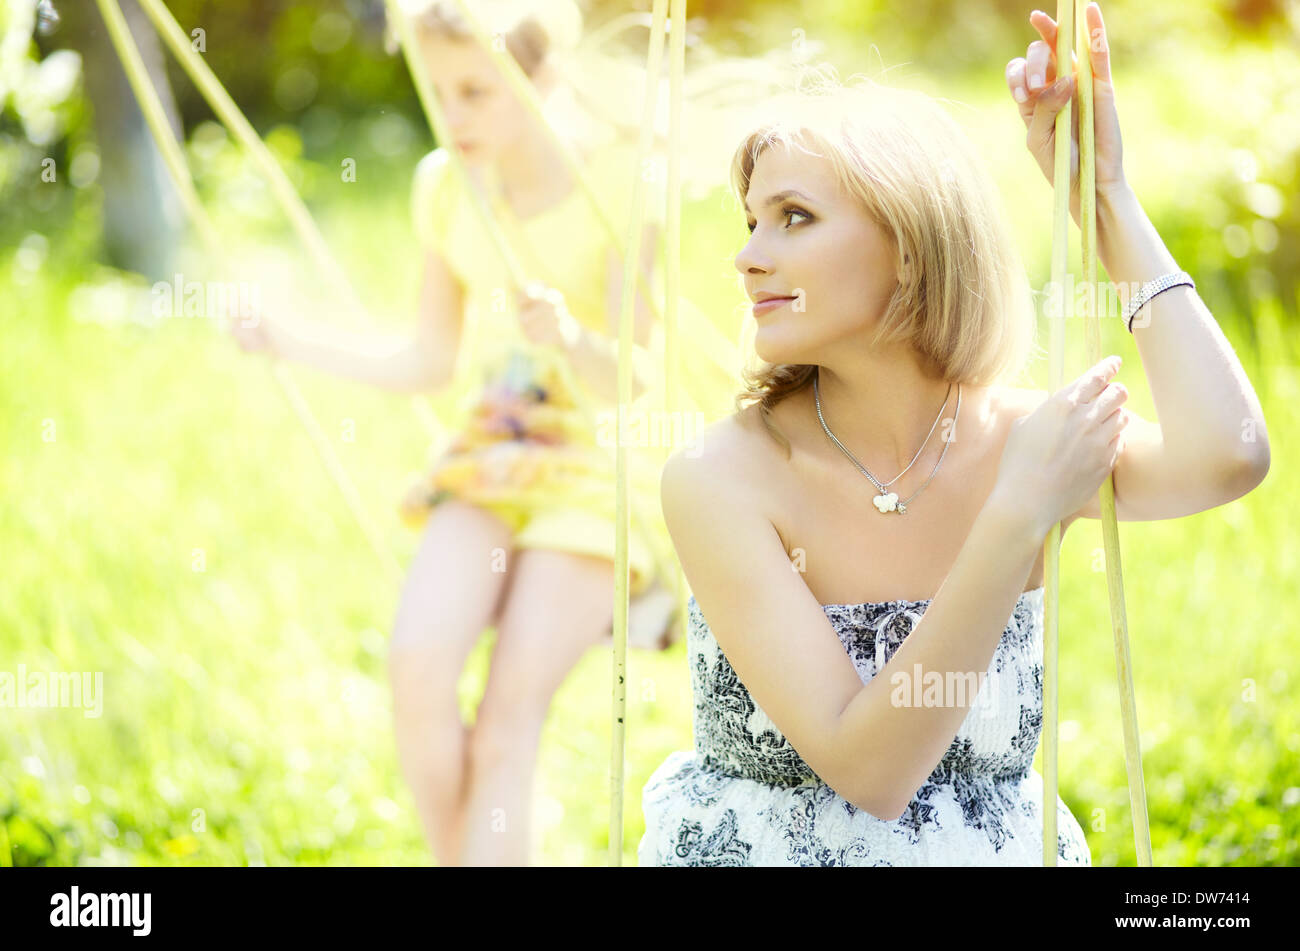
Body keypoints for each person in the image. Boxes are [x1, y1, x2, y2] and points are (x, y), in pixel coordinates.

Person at [638, 2, 1269, 865]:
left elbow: (1228, 452)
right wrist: (1016, 515)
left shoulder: (1028, 439)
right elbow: (871, 770)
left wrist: (1106, 198)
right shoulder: (722, 476)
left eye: (793, 216)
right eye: (751, 221)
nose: (748, 254)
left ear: (911, 245)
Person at [231, 0, 682, 866]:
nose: (454, 115)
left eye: (477, 90)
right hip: (490, 459)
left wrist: (574, 338)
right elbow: (430, 361)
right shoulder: (447, 187)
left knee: (508, 718)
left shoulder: (618, 182)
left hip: (593, 469)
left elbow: (636, 375)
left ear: (542, 75)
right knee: (417, 666)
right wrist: (290, 340)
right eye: (439, 92)